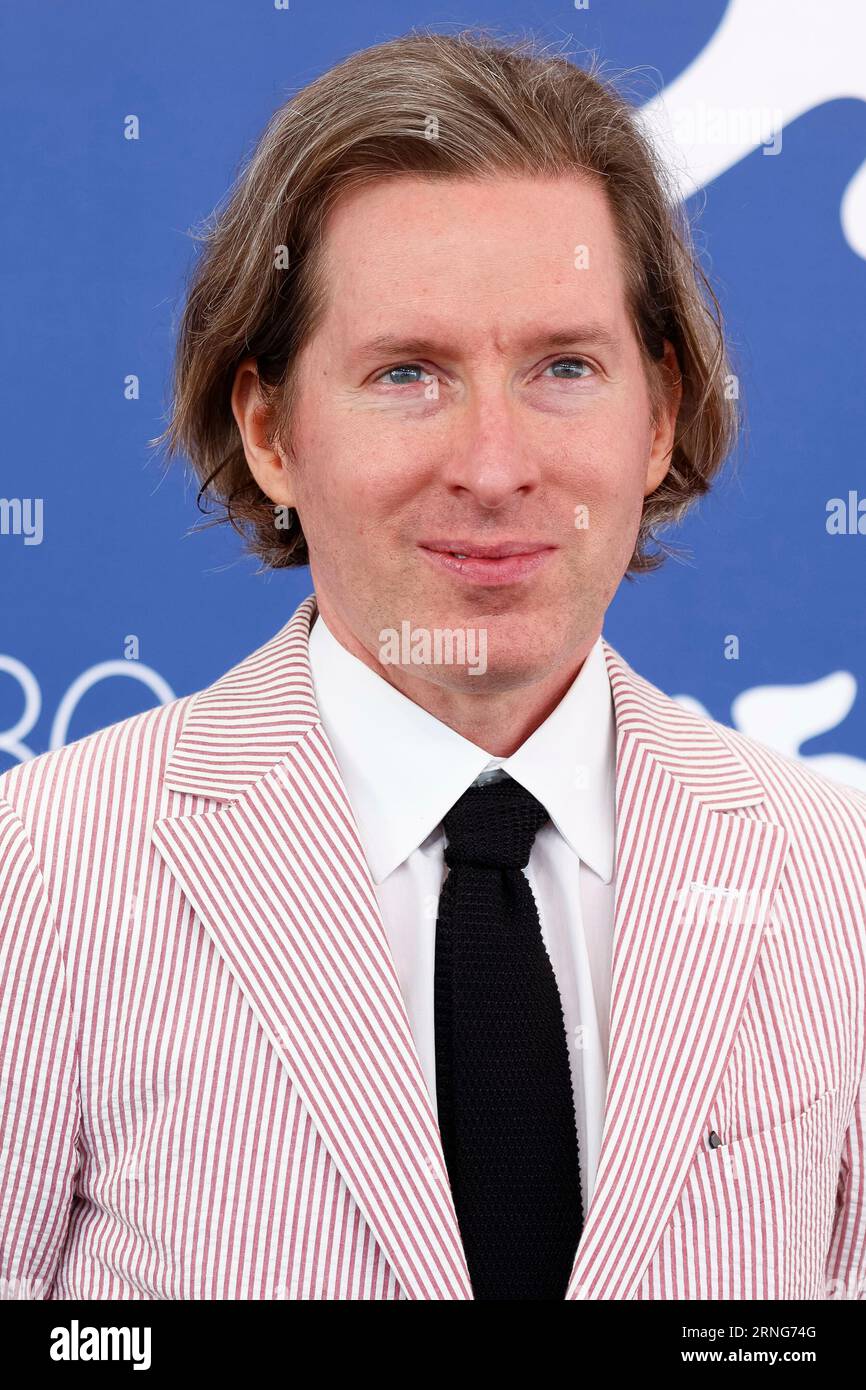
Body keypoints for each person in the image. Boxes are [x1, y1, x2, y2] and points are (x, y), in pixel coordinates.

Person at [1, 29, 864, 1302]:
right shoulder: (39, 878)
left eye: (563, 368)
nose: (495, 465)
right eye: (407, 374)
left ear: (659, 413)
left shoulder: (831, 878)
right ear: (269, 431)